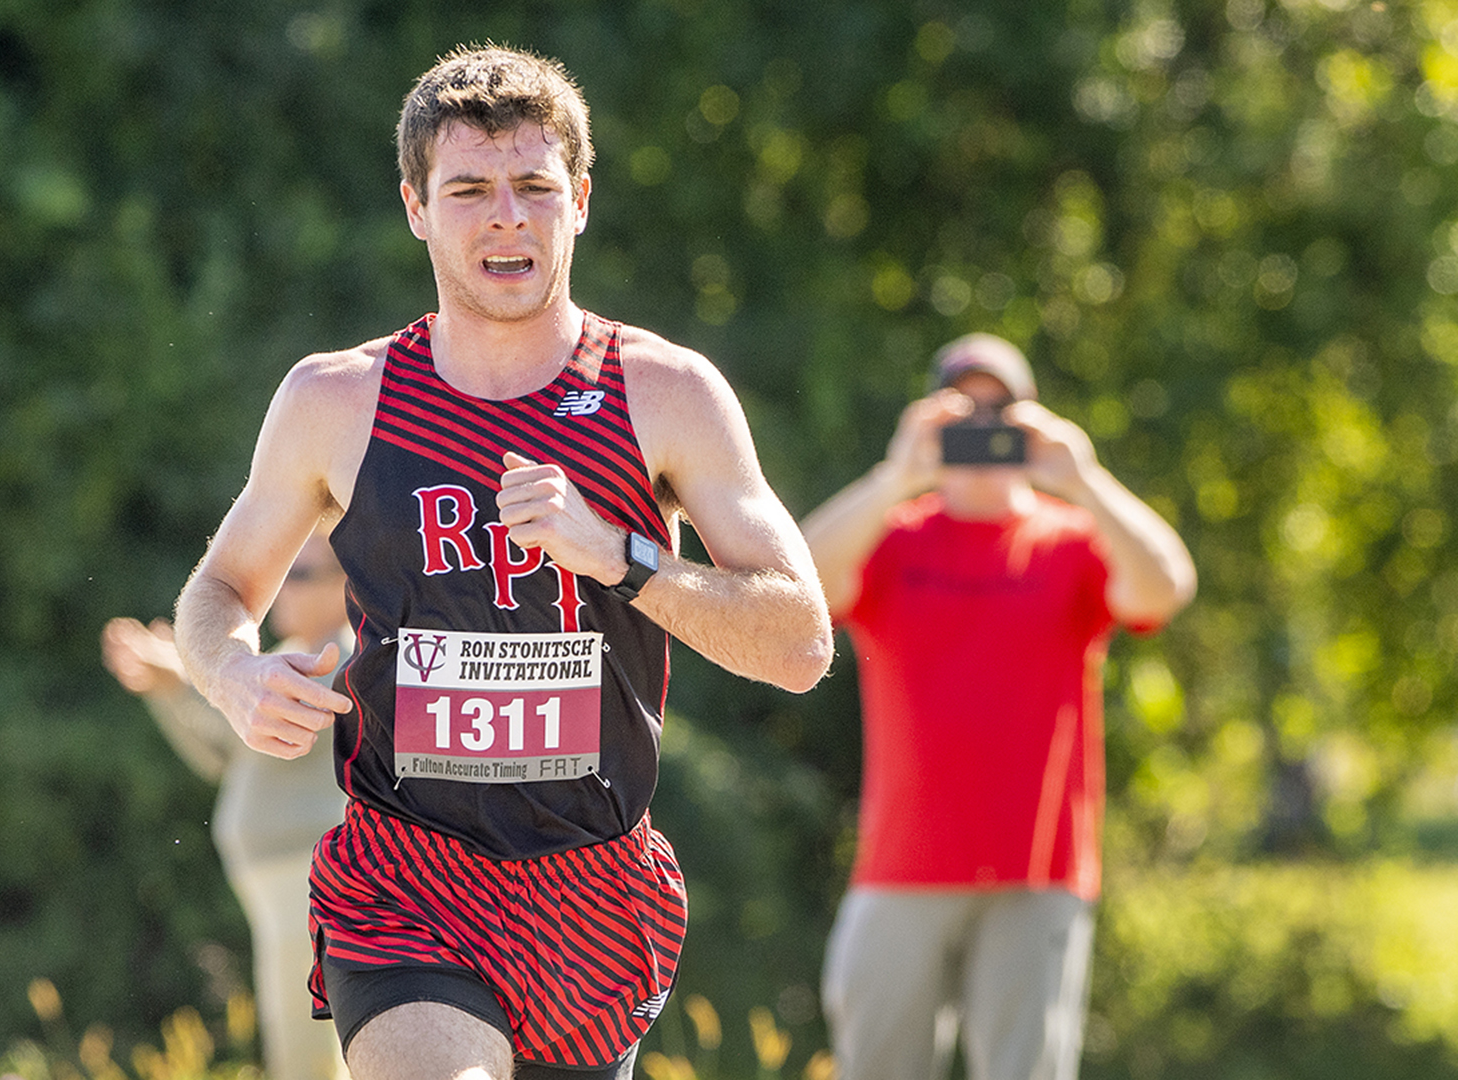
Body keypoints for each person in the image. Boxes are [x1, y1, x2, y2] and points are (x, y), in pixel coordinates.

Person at [171, 44, 832, 1080]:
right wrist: (232, 675)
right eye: (469, 189)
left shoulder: (664, 393)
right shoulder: (335, 401)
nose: (505, 217)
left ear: (579, 197)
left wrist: (619, 554)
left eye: (532, 186)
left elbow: (799, 642)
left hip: (595, 898)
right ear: (416, 209)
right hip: (405, 879)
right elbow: (217, 591)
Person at [799, 333, 1197, 1080]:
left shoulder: (1072, 540)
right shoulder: (891, 538)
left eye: (1000, 409)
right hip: (901, 866)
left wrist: (1086, 480)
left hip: (1038, 872)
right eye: (964, 410)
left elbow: (1166, 588)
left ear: (1031, 418)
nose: (983, 426)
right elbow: (799, 589)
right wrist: (896, 476)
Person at [103, 533, 352, 1080]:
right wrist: (170, 691)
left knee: (305, 1045)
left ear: (347, 584)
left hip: (308, 875)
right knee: (298, 1036)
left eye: (302, 575)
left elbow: (259, 718)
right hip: (279, 879)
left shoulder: (348, 656)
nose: (282, 589)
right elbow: (223, 751)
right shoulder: (286, 660)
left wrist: (189, 672)